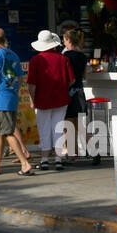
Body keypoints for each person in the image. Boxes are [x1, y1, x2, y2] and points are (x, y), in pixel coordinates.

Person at [0, 28, 34, 176]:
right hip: (11, 97)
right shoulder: (14, 55)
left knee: (8, 133)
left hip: (0, 99)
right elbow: (20, 78)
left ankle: (24, 163)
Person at [27, 29, 74, 171]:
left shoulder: (36, 60)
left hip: (42, 99)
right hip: (61, 98)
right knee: (58, 128)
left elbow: (31, 84)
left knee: (44, 129)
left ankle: (45, 159)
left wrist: (32, 99)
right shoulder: (63, 59)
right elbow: (71, 80)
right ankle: (58, 159)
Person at [62, 28, 89, 159]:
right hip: (80, 92)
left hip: (68, 92)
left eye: (64, 40)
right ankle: (95, 151)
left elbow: (65, 76)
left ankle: (72, 152)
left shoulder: (65, 56)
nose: (63, 43)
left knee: (68, 124)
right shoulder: (83, 56)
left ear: (68, 40)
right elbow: (84, 75)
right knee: (81, 125)